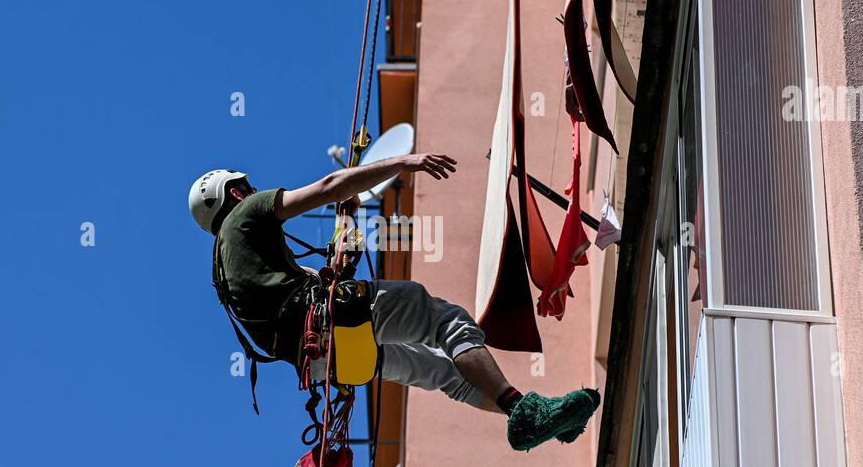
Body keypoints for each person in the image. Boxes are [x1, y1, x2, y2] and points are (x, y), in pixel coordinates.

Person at [187, 155, 600, 451]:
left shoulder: (224, 267)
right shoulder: (248, 213)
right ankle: (522, 410)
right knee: (444, 322)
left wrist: (345, 229)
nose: (255, 189)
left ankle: (532, 418)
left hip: (320, 360)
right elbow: (327, 187)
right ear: (234, 192)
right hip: (330, 320)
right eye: (247, 186)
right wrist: (403, 163)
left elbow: (321, 280)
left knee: (442, 374)